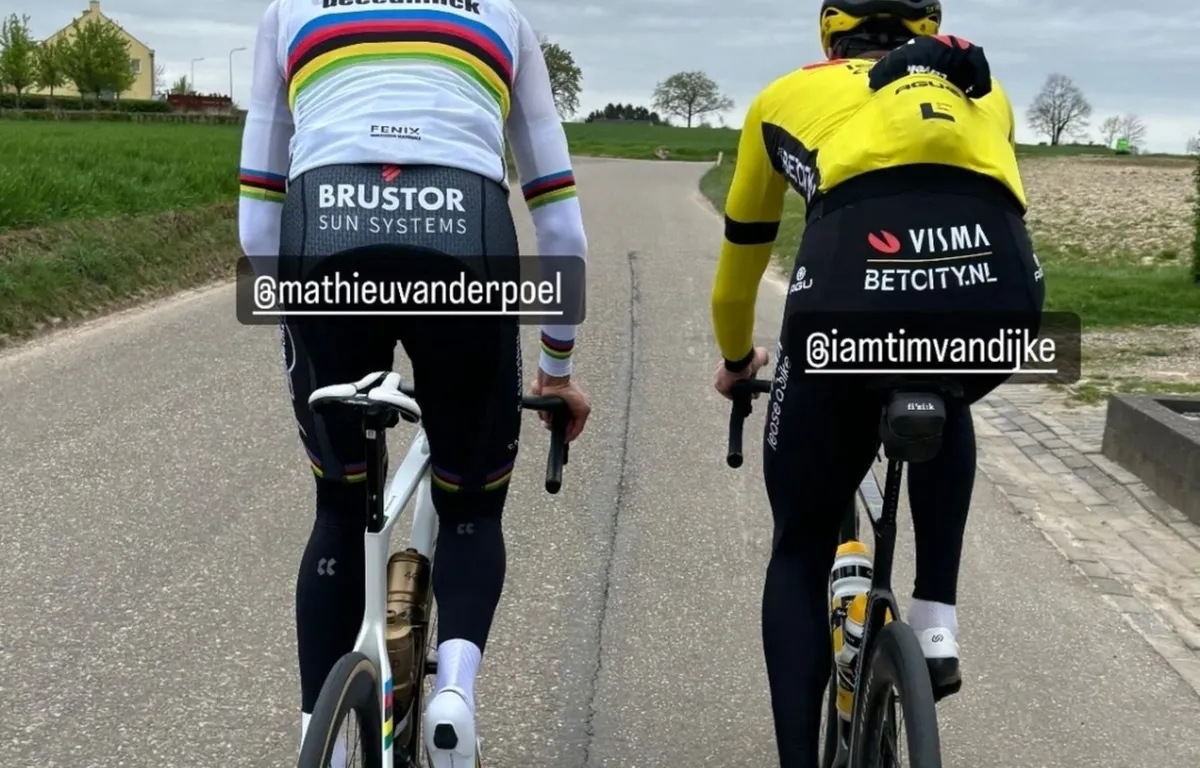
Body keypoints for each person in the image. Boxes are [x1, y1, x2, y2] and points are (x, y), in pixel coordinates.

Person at [237, 0, 592, 765]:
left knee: (339, 504)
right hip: (465, 228)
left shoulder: (287, 11)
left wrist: (296, 332)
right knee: (471, 506)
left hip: (321, 224)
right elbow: (561, 231)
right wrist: (555, 371)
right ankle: (455, 696)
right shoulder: (505, 20)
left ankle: (317, 737)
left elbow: (257, 215)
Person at [708, 1, 1045, 765]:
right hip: (998, 290)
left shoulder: (784, 96)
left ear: (831, 30)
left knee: (798, 546)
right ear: (929, 27)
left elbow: (738, 279)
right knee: (944, 367)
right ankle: (936, 617)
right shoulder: (981, 89)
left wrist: (737, 362)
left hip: (845, 300)